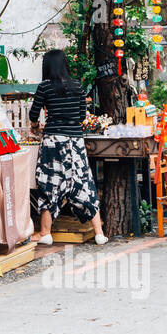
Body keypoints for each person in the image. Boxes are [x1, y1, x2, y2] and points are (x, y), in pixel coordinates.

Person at [28, 49, 107, 246]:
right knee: (83, 182)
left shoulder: (44, 87)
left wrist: (36, 126)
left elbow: (33, 114)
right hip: (75, 142)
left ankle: (46, 233)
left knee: (49, 184)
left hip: (53, 141)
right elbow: (82, 116)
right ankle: (99, 233)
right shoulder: (77, 86)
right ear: (65, 65)